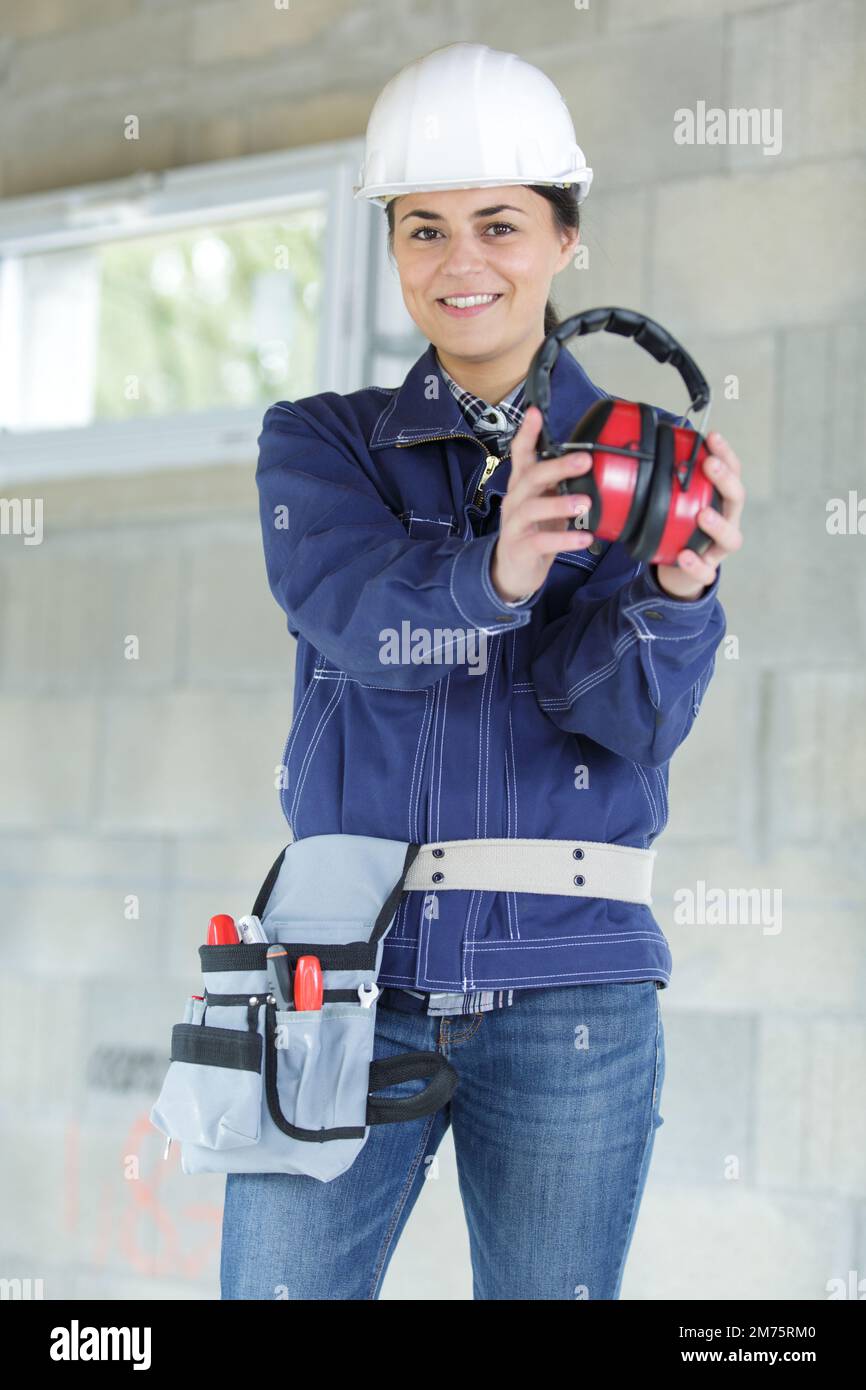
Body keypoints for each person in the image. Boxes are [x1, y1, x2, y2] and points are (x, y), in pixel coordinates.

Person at [221, 42, 745, 1301]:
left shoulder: (640, 466)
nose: (460, 264)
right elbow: (355, 621)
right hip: (342, 974)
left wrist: (679, 596)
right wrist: (493, 572)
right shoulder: (321, 445)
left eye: (499, 224)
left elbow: (620, 719)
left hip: (574, 979)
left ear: (565, 239)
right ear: (393, 247)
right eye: (423, 229)